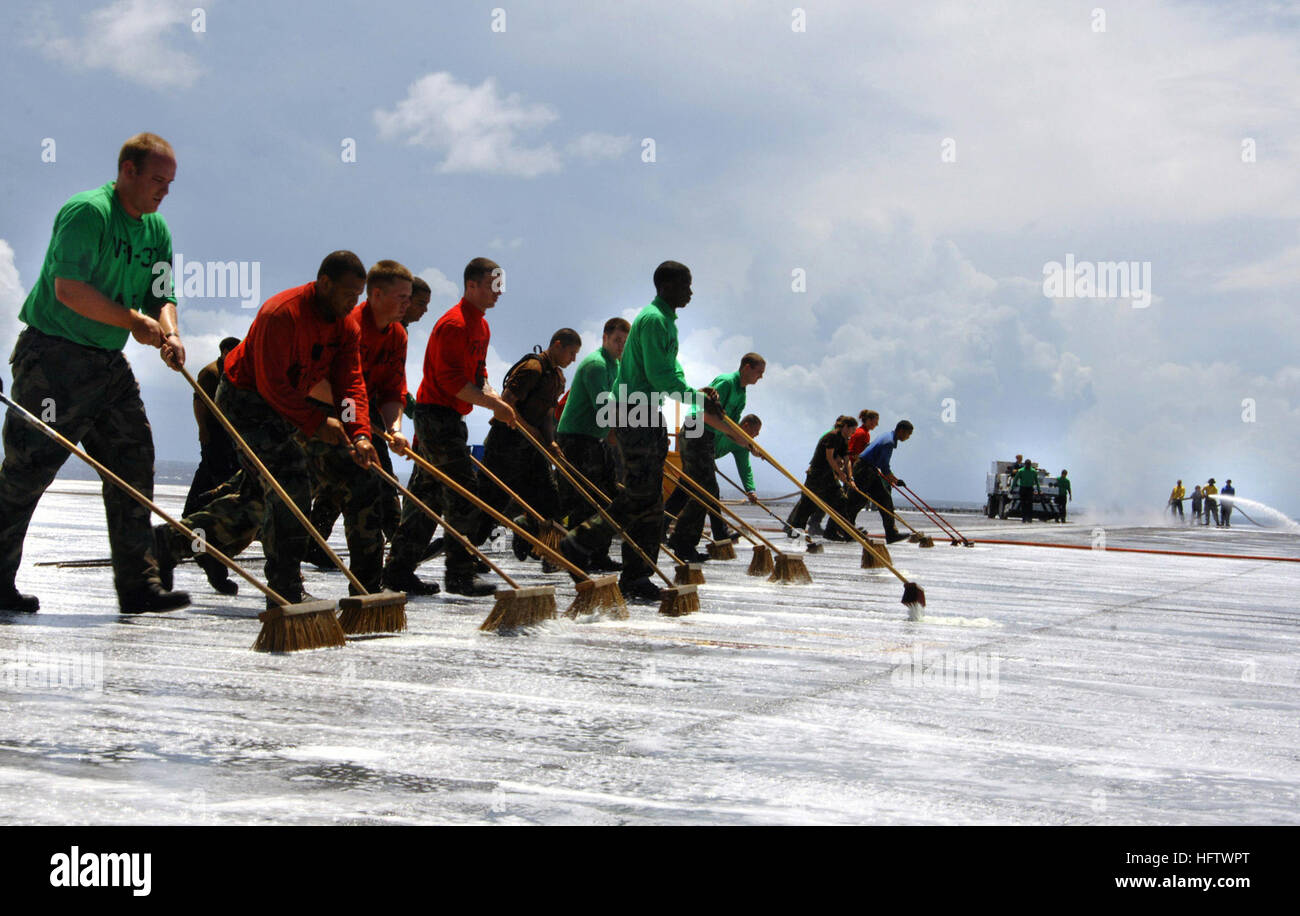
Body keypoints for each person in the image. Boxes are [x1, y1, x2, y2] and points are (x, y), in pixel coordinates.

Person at [0, 133, 190, 614]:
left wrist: (169, 331)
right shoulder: (89, 212)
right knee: (28, 472)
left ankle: (138, 586)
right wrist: (133, 322)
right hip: (54, 358)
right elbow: (69, 290)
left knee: (132, 465)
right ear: (128, 171)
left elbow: (161, 294)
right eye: (156, 180)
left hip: (107, 364)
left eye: (169, 183)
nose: (163, 192)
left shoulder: (156, 230)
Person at [156, 251, 380, 605]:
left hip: (294, 405)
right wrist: (316, 423)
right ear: (325, 284)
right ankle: (284, 588)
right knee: (289, 484)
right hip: (247, 402)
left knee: (354, 474)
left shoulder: (345, 327)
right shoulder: (281, 314)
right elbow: (272, 385)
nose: (354, 303)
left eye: (358, 296)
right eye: (348, 294)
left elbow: (349, 386)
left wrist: (360, 434)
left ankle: (367, 590)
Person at [558, 261, 725, 602]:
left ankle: (636, 576)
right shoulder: (654, 321)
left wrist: (699, 395)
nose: (690, 292)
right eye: (685, 285)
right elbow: (661, 377)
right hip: (634, 410)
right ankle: (578, 542)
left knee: (650, 501)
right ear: (666, 286)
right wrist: (696, 400)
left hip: (646, 411)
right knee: (639, 495)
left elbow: (672, 371)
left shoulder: (664, 323)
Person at [382, 258, 518, 597]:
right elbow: (451, 383)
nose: (498, 292)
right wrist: (493, 405)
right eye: (492, 285)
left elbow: (478, 378)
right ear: (471, 285)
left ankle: (398, 570)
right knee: (463, 493)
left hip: (450, 419)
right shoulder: (454, 325)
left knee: (425, 500)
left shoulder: (481, 327)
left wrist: (497, 401)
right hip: (435, 416)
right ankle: (459, 573)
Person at [300, 260, 414, 581]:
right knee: (335, 483)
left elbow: (392, 390)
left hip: (362, 411)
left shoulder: (397, 336)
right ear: (376, 295)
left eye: (409, 298)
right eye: (401, 297)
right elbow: (322, 382)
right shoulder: (349, 324)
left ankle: (385, 568)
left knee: (377, 482)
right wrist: (354, 427)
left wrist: (395, 430)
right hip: (324, 408)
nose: (407, 304)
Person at [477, 329, 582, 561]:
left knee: (549, 500)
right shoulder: (532, 369)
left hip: (531, 449)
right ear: (557, 345)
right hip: (505, 443)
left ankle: (531, 540)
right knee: (491, 502)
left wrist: (550, 440)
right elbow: (505, 403)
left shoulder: (556, 377)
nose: (573, 359)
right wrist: (526, 427)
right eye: (571, 353)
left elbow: (547, 413)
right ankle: (465, 552)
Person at [666, 354, 765, 561]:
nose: (761, 377)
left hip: (707, 435)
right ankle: (684, 541)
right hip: (695, 429)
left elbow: (732, 428)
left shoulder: (742, 393)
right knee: (706, 490)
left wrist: (749, 446)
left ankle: (662, 529)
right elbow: (705, 414)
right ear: (747, 368)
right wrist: (738, 437)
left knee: (691, 488)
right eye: (759, 372)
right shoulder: (726, 382)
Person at [555, 317, 629, 572]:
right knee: (579, 500)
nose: (621, 346)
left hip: (596, 439)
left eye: (625, 343)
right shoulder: (596, 365)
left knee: (608, 498)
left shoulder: (616, 366)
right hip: (575, 438)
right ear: (605, 338)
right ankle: (563, 549)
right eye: (617, 340)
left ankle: (598, 555)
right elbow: (605, 408)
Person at [787, 415, 857, 541]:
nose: (852, 433)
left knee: (841, 501)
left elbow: (847, 460)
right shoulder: (832, 436)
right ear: (846, 427)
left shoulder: (844, 440)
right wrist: (841, 474)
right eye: (852, 430)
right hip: (817, 475)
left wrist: (850, 478)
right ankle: (795, 532)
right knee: (807, 505)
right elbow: (829, 458)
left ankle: (834, 532)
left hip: (829, 476)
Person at [851, 419, 914, 544]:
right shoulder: (889, 442)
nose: (908, 437)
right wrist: (895, 481)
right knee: (857, 501)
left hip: (869, 468)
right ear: (901, 431)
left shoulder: (887, 436)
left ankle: (891, 534)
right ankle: (842, 528)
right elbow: (884, 466)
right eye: (908, 434)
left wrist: (894, 480)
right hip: (864, 469)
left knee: (885, 499)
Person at [1012, 458, 1041, 523]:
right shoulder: (1021, 471)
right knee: (1024, 504)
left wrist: (1039, 489)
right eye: (1027, 464)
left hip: (1029, 489)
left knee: (1028, 504)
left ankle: (1028, 518)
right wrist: (1012, 488)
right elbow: (1015, 480)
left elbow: (1036, 482)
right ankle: (1025, 518)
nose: (1028, 466)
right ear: (1025, 464)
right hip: (1024, 488)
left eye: (1028, 464)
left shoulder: (1032, 471)